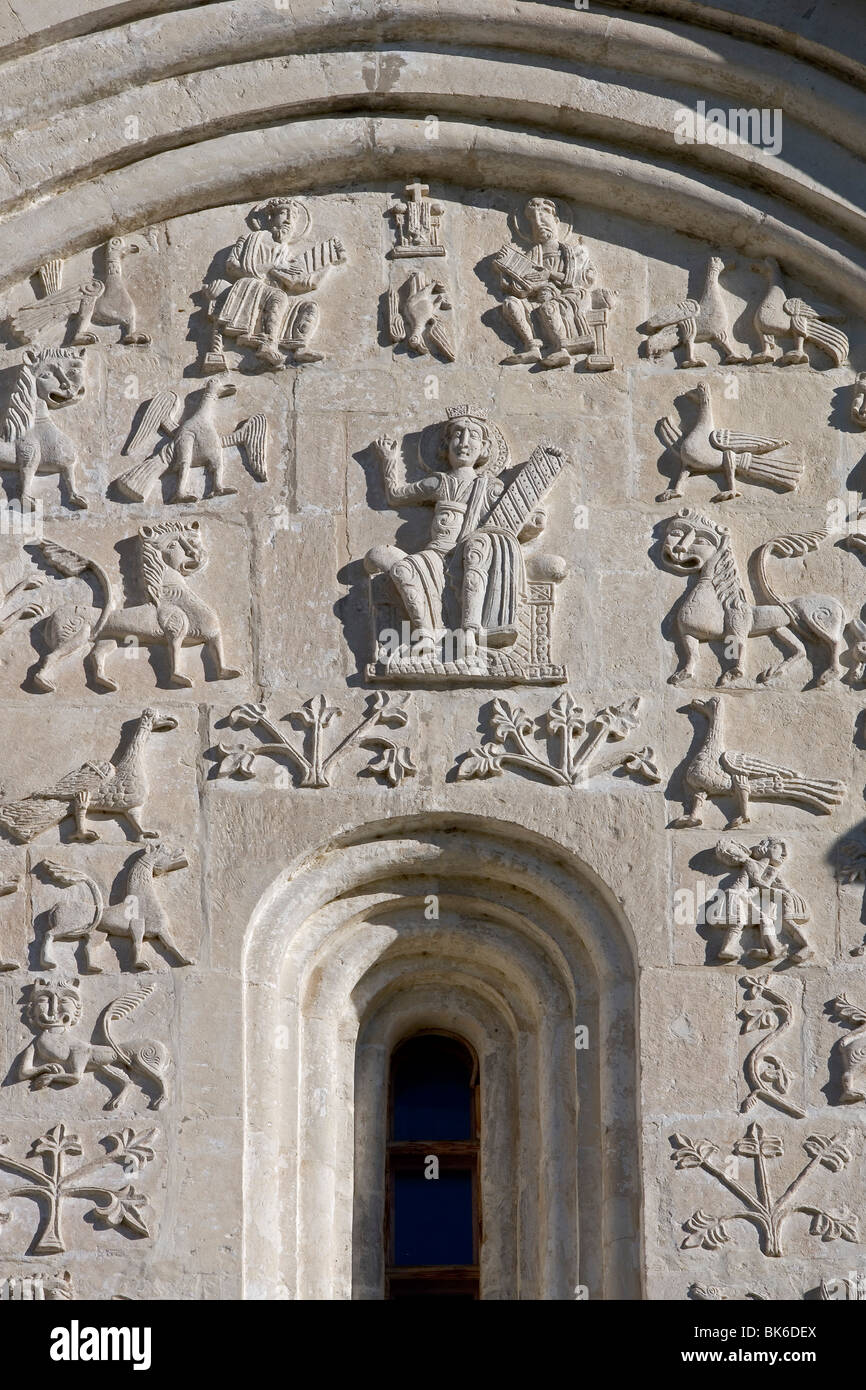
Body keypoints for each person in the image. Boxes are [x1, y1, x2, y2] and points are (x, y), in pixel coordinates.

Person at [365, 407, 535, 657]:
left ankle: (469, 631)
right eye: (457, 435)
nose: (464, 443)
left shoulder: (490, 488)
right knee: (404, 568)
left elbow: (518, 521)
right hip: (437, 552)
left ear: (485, 448)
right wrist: (389, 460)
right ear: (445, 445)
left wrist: (535, 520)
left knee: (476, 549)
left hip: (471, 551)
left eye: (473, 436)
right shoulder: (439, 483)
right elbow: (395, 496)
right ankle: (426, 635)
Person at [201, 198, 344, 371]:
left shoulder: (284, 250)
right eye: (284, 213)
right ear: (270, 218)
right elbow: (232, 266)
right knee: (278, 296)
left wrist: (327, 267)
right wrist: (271, 267)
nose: (288, 220)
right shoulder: (249, 239)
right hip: (250, 287)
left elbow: (293, 281)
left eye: (293, 217)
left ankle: (299, 348)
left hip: (275, 294)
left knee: (309, 307)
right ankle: (268, 344)